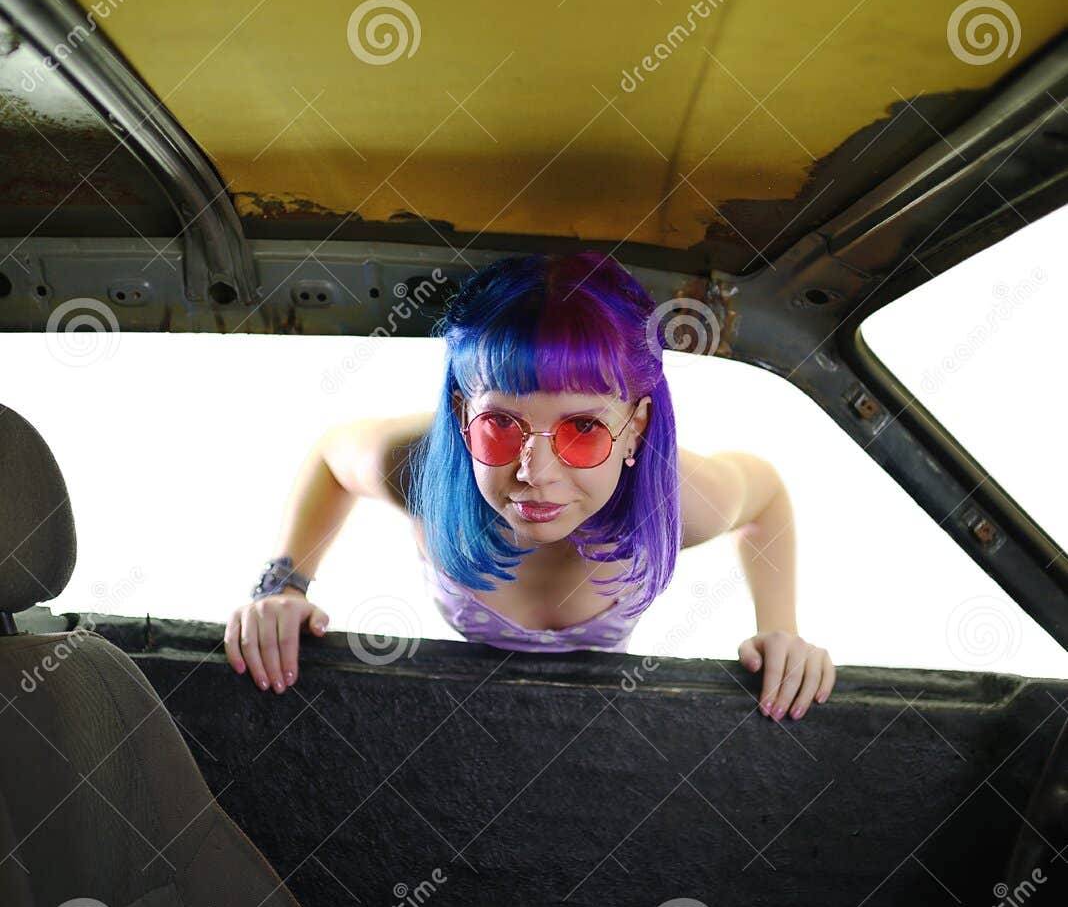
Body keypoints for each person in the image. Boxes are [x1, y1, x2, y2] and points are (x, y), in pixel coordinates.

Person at [225, 251, 835, 719]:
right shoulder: (414, 462)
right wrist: (285, 584)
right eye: (500, 426)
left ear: (635, 428)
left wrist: (781, 628)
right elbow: (333, 458)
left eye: (584, 429)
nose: (534, 473)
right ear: (463, 417)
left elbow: (768, 496)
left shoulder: (685, 501)